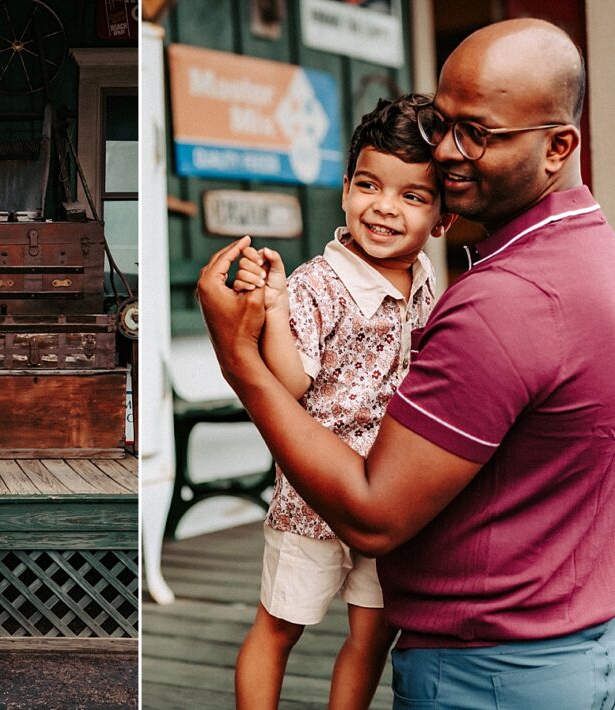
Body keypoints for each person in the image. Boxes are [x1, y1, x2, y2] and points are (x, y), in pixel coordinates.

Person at [198, 18, 615, 708]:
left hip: (488, 666)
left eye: (475, 132)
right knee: (281, 626)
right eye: (446, 125)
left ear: (557, 146)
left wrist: (237, 358)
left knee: (365, 635)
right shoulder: (590, 259)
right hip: (567, 631)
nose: (449, 154)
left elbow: (375, 515)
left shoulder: (491, 299)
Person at [230, 95, 452, 710]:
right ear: (346, 187)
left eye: (413, 196)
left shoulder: (429, 279)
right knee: (278, 628)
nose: (384, 207)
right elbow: (290, 382)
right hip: (316, 496)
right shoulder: (316, 283)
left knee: (372, 633)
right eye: (368, 184)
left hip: (390, 493)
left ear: (441, 218)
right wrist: (274, 308)